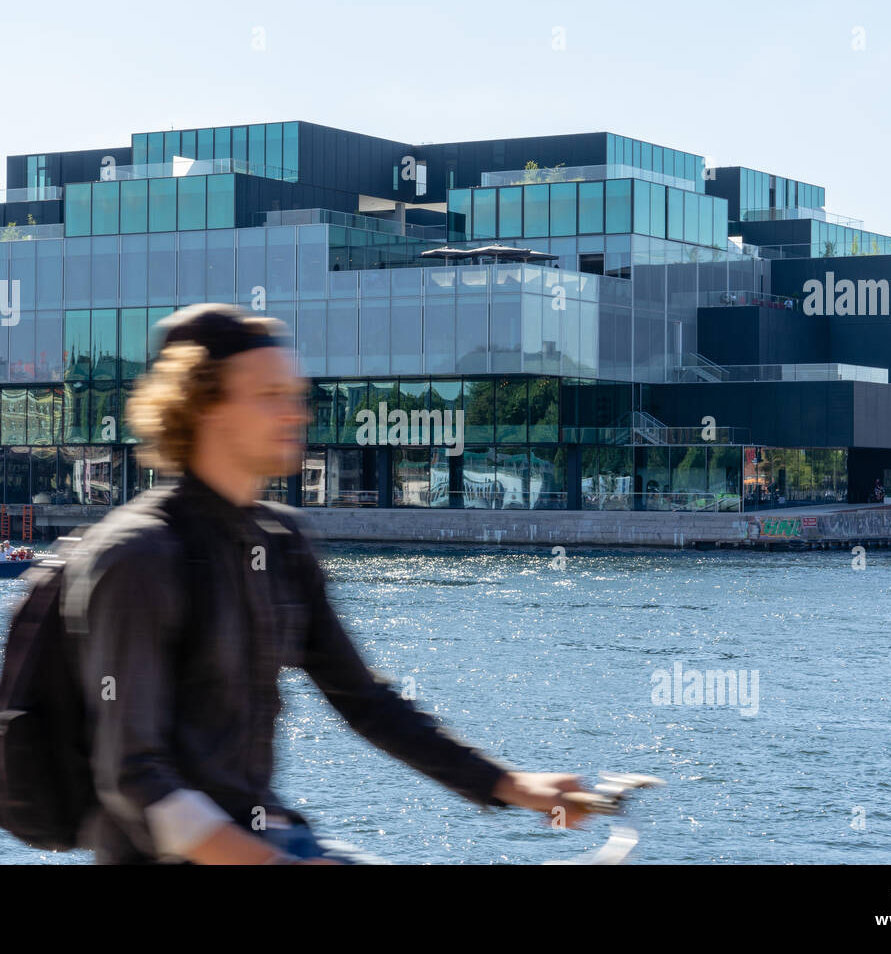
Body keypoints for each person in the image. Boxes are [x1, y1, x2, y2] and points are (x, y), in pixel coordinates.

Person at [60, 303, 598, 865]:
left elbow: (364, 701)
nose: (297, 415)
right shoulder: (137, 556)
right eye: (271, 397)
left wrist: (513, 786)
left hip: (265, 838)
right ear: (203, 408)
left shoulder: (283, 540)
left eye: (296, 396)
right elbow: (133, 777)